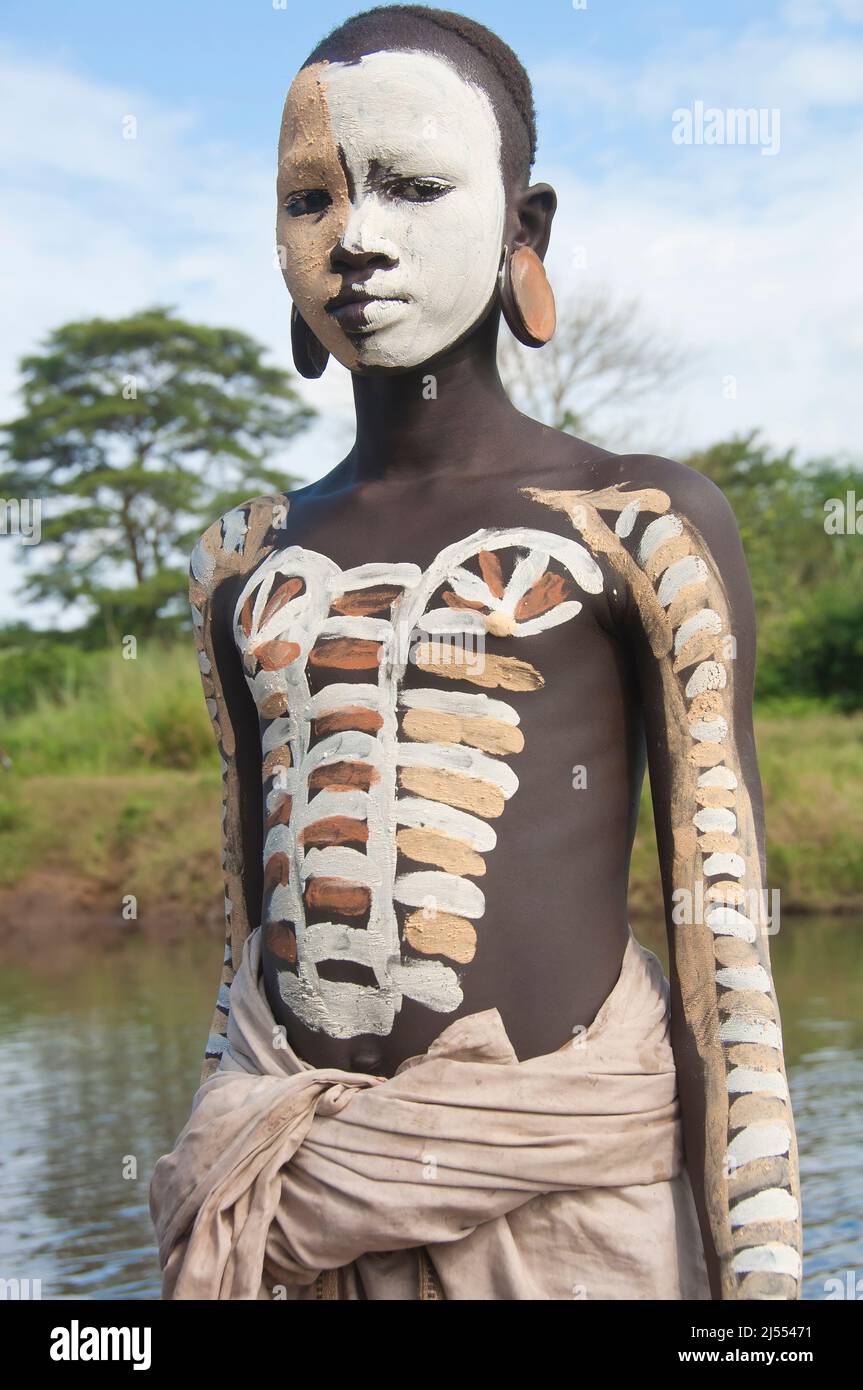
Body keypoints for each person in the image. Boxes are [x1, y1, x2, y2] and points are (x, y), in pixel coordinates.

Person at [150, 4, 802, 1301]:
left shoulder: (637, 526)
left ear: (524, 229)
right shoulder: (240, 564)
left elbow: (723, 947)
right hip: (290, 1209)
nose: (359, 240)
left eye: (414, 185)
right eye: (311, 198)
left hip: (569, 1223)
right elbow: (245, 940)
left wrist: (764, 1298)